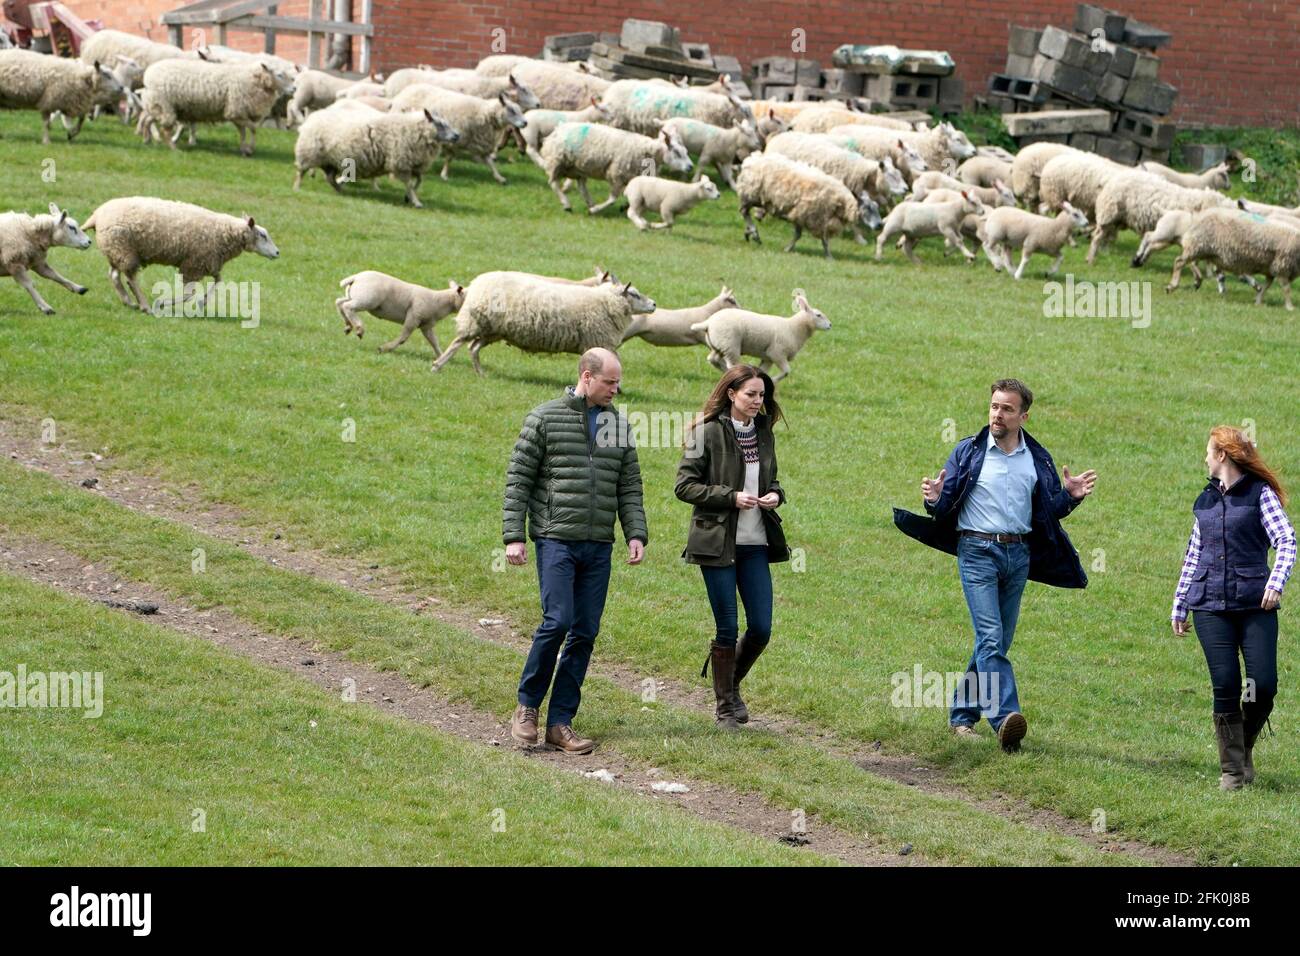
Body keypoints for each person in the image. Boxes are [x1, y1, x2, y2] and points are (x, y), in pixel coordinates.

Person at [893, 379, 1097, 752]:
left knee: (997, 641)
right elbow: (944, 506)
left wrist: (1070, 497)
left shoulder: (1036, 458)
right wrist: (935, 499)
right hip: (976, 552)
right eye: (993, 407)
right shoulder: (968, 452)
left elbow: (1049, 512)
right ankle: (1005, 718)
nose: (997, 414)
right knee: (990, 638)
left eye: (1006, 409)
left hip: (1018, 555)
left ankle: (962, 715)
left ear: (1023, 415)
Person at [503, 348, 647, 755]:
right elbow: (518, 480)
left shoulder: (618, 426)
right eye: (610, 382)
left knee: (585, 631)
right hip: (555, 538)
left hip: (599, 544)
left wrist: (635, 532)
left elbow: (629, 486)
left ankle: (560, 722)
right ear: (587, 376)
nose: (616, 390)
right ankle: (527, 707)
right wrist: (514, 536)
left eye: (618, 383)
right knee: (557, 620)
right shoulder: (545, 418)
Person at [1171, 426, 1294, 790]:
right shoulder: (1205, 500)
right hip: (1209, 605)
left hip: (1255, 604)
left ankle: (1243, 745)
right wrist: (1180, 602)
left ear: (1222, 455)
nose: (1205, 458)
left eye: (1209, 452)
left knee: (1263, 684)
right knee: (1225, 683)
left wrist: (1275, 583)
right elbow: (1194, 554)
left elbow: (1286, 539)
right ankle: (1232, 771)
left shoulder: (1261, 495)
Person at [674, 365, 790, 729]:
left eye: (761, 395)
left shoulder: (764, 434)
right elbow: (684, 486)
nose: (758, 401)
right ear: (731, 394)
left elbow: (770, 480)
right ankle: (725, 706)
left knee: (761, 629)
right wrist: (731, 497)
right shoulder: (705, 433)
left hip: (756, 543)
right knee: (727, 628)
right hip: (717, 543)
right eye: (751, 394)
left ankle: (730, 684)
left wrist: (775, 495)